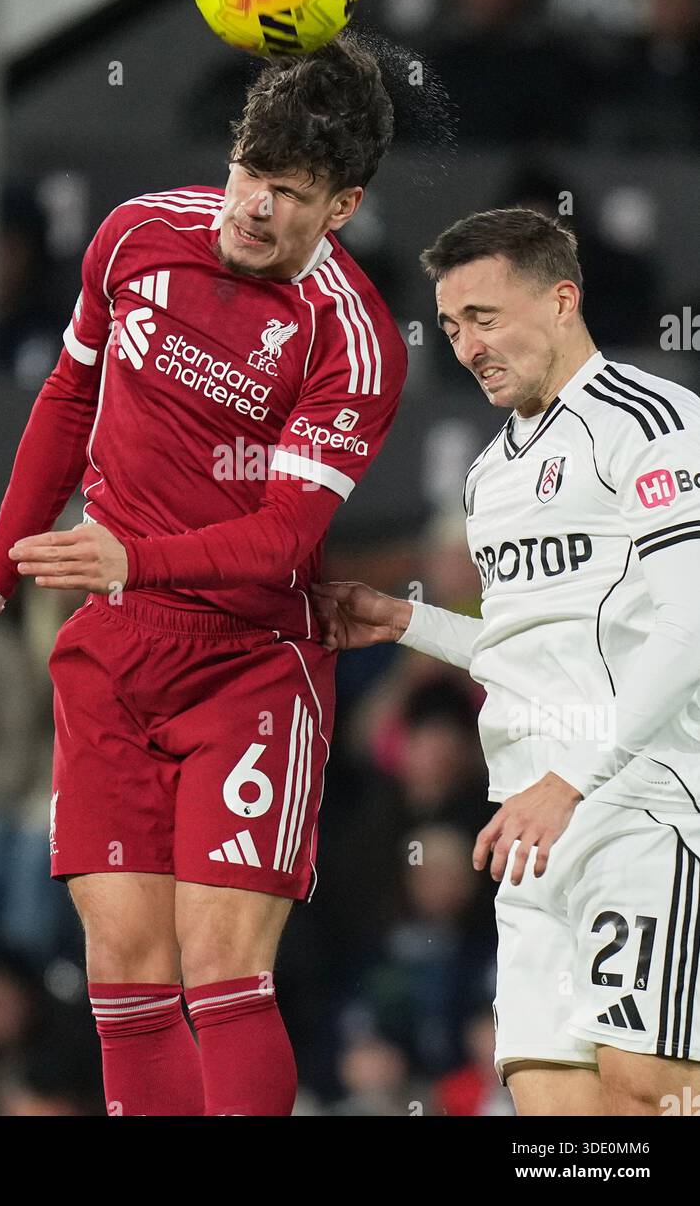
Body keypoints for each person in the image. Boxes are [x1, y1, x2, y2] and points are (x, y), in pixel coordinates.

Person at [0, 34, 408, 1117]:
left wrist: (136, 557)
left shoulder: (352, 341)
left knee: (219, 964)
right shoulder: (135, 234)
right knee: (122, 968)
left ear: (341, 206)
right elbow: (68, 402)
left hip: (248, 665)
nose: (254, 210)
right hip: (112, 649)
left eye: (290, 194)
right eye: (247, 177)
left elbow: (280, 539)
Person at [314, 206, 700, 1116]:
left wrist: (570, 780)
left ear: (563, 300)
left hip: (638, 806)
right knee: (549, 1102)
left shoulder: (653, 422)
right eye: (451, 327)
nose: (467, 346)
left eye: (484, 317)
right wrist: (406, 622)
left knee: (649, 1089)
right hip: (529, 826)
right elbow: (528, 648)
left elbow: (687, 623)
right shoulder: (490, 477)